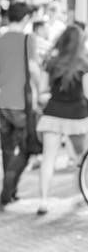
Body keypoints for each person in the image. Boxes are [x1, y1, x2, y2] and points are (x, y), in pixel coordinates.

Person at [0, 1, 39, 208]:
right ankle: (9, 188)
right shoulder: (28, 40)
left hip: (0, 102)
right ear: (25, 19)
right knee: (25, 150)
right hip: (21, 103)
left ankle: (9, 189)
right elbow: (33, 69)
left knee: (6, 149)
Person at [36, 24, 88, 214]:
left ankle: (43, 201)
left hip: (53, 113)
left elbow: (41, 92)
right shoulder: (84, 63)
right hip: (78, 116)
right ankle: (82, 193)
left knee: (48, 159)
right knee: (82, 159)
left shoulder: (51, 62)